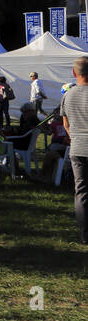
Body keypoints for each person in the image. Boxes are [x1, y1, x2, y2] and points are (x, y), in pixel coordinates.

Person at [61, 56, 88, 244]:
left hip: (77, 148)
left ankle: (85, 235)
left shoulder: (67, 95)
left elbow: (66, 124)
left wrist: (75, 137)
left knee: (82, 192)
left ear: (73, 73)